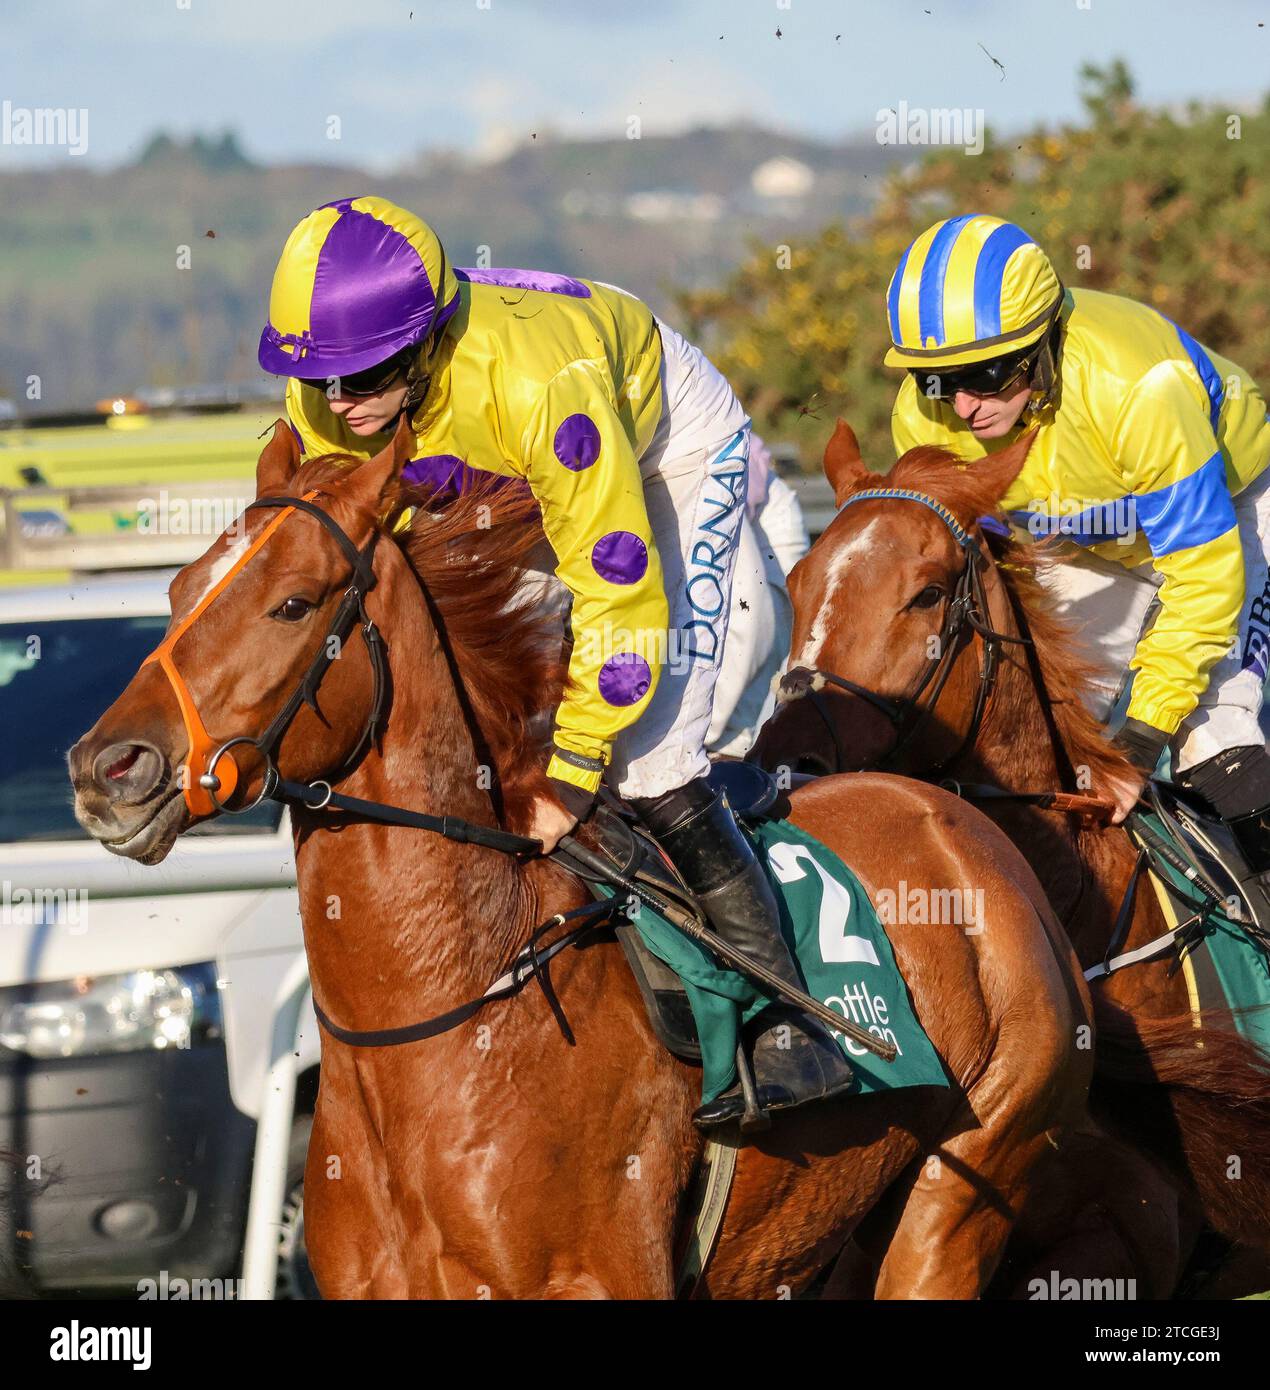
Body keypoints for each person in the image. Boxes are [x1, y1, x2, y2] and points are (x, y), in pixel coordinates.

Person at [258, 195, 853, 1126]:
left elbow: (618, 591)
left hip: (662, 450)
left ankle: (791, 1024)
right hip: (516, 468)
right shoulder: (325, 398)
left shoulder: (542, 384)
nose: (339, 404)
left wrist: (572, 776)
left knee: (651, 754)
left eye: (363, 375)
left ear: (421, 346)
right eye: (322, 378)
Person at [885, 213, 1270, 913]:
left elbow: (1204, 575)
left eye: (987, 374)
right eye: (939, 380)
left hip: (1231, 515)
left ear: (1043, 345)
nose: (964, 405)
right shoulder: (925, 415)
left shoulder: (1139, 385)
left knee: (1215, 734)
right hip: (1093, 542)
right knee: (1046, 729)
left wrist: (1139, 741)